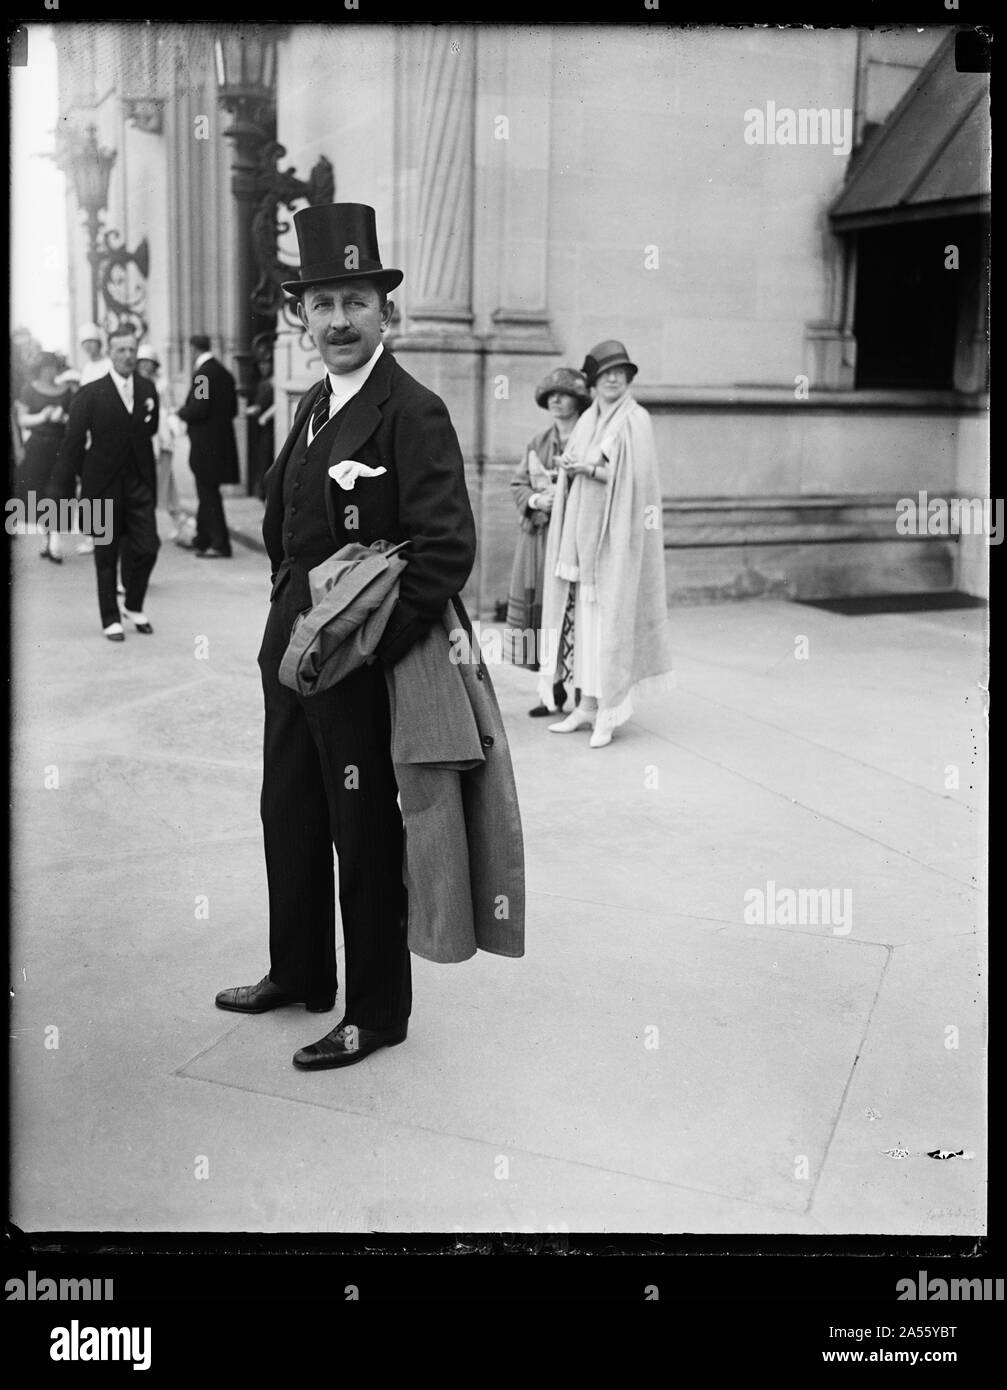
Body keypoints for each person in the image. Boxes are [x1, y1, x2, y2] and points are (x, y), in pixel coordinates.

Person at [214, 202, 483, 1070]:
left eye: (354, 302)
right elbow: (283, 514)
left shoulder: (414, 410)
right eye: (321, 303)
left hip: (361, 665)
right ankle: (298, 972)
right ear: (303, 316)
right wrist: (284, 615)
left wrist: (368, 647)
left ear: (385, 313)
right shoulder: (310, 402)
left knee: (363, 832)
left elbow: (446, 550)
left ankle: (374, 1010)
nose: (338, 320)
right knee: (286, 807)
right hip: (289, 651)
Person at [537, 340, 673, 748]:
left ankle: (608, 713)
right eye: (606, 373)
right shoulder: (588, 420)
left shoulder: (636, 420)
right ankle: (587, 704)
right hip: (582, 543)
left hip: (615, 540)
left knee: (610, 626)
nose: (614, 379)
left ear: (629, 378)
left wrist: (591, 470)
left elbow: (635, 480)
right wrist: (570, 468)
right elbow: (579, 464)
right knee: (585, 627)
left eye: (621, 372)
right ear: (594, 382)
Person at [62, 325, 160, 641]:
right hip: (102, 485)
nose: (128, 356)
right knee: (107, 554)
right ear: (109, 352)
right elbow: (73, 443)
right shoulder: (90, 393)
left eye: (132, 349)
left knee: (148, 547)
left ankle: (133, 604)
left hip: (138, 483)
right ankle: (111, 618)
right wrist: (79, 481)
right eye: (121, 350)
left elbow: (150, 428)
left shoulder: (148, 389)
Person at [504, 366, 591, 715]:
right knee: (541, 613)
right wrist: (538, 500)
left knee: (578, 614)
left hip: (575, 542)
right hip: (539, 540)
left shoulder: (588, 439)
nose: (556, 400)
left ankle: (584, 693)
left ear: (579, 400)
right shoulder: (538, 442)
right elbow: (518, 484)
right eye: (551, 395)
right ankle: (551, 689)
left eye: (565, 393)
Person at [173, 334, 239, 558]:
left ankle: (220, 543)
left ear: (192, 349)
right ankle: (203, 539)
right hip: (220, 443)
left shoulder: (203, 375)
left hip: (205, 445)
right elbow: (233, 410)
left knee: (208, 493)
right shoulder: (224, 373)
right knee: (207, 492)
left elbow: (198, 408)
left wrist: (180, 412)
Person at [16, 351, 75, 563]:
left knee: (57, 492)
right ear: (39, 368)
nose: (49, 371)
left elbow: (75, 420)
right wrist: (43, 416)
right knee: (41, 493)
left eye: (53, 366)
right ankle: (47, 537)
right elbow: (22, 419)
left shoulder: (66, 391)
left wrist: (64, 417)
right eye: (46, 367)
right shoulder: (29, 390)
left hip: (60, 446)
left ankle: (55, 541)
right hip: (38, 448)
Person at [136, 344, 182, 539]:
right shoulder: (134, 383)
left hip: (161, 436)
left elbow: (170, 408)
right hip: (142, 435)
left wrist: (173, 428)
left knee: (162, 478)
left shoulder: (162, 384)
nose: (146, 366)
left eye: (149, 362)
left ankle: (175, 519)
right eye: (142, 362)